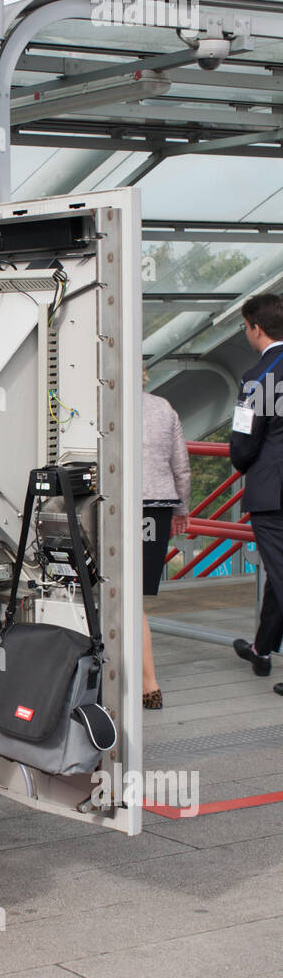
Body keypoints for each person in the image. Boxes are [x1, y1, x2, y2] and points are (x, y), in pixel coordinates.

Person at [229, 294, 283, 692]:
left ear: (256, 328)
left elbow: (243, 445)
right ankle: (262, 649)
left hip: (274, 492)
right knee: (277, 576)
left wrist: (248, 466)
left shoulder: (258, 378)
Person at [142, 376, 191, 708]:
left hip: (111, 505)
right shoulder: (163, 407)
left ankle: (144, 681)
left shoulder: (99, 406)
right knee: (136, 597)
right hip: (156, 509)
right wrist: (181, 509)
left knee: (108, 590)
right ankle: (150, 682)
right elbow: (182, 468)